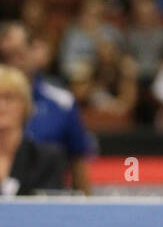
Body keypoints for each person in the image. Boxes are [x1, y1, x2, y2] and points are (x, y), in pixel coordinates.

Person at [0, 20, 96, 194]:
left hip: (45, 197)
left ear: (34, 51)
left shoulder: (61, 102)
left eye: (17, 54)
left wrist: (86, 208)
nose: (12, 64)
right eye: (4, 57)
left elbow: (78, 164)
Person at [0, 64, 66, 196]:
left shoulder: (45, 159)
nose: (1, 105)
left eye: (8, 97)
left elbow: (50, 210)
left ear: (25, 105)